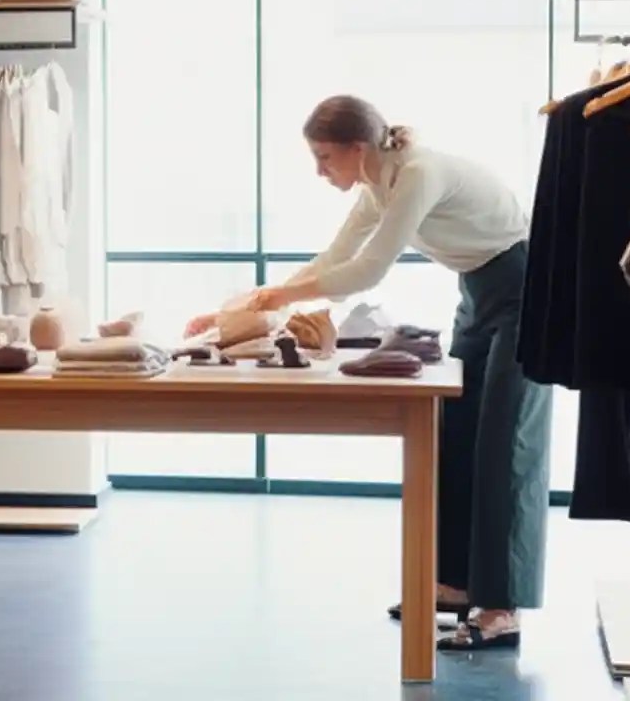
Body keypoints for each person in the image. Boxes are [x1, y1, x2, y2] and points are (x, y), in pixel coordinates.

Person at [188, 95, 552, 651]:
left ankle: (503, 608)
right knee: (451, 434)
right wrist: (241, 309)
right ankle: (455, 583)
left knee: (506, 445)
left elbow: (367, 271)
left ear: (358, 149)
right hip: (478, 293)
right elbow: (333, 260)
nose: (319, 170)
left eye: (324, 157)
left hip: (526, 289)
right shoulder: (375, 187)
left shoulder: (418, 174)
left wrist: (278, 295)